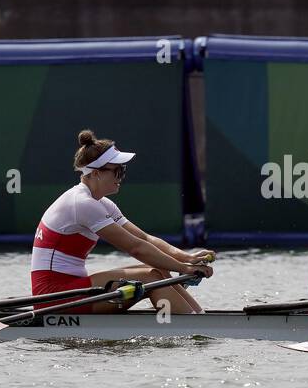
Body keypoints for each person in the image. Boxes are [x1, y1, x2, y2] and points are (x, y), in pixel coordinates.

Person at [31, 130, 214, 313]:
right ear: (96, 173)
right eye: (117, 171)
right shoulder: (82, 203)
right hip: (53, 296)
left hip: (73, 288)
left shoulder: (101, 203)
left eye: (123, 170)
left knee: (156, 268)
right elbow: (136, 248)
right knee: (151, 278)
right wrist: (184, 268)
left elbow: (145, 238)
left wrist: (187, 258)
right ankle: (196, 328)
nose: (122, 177)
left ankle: (199, 317)